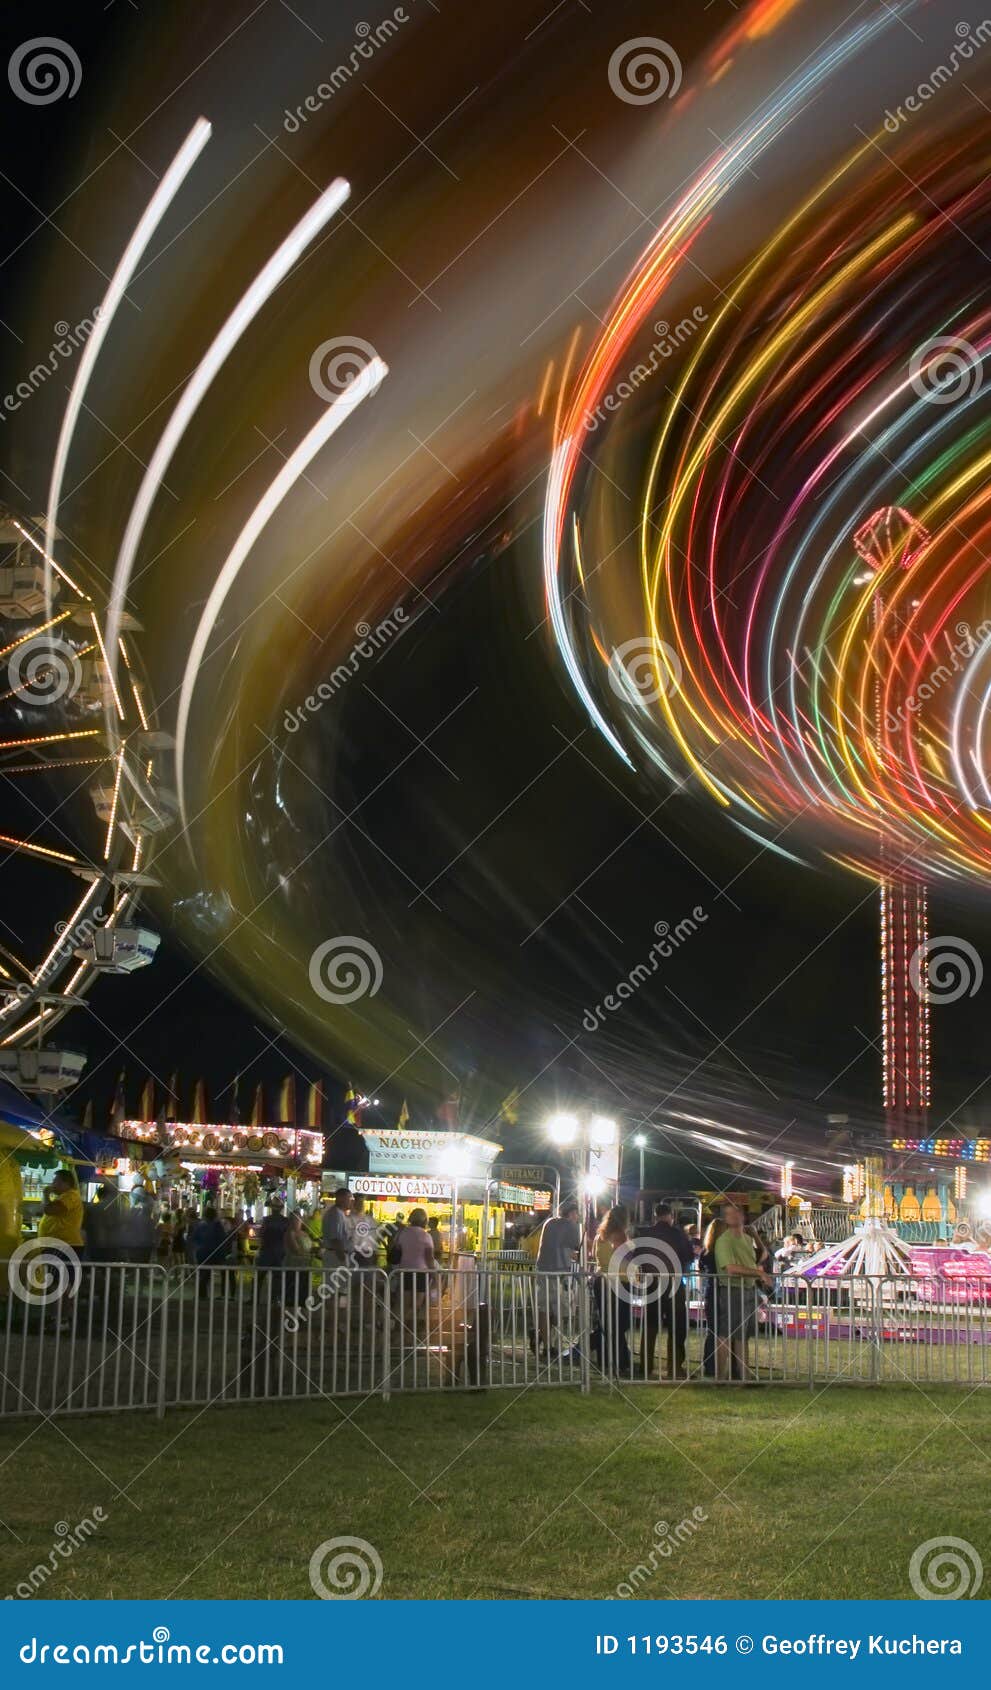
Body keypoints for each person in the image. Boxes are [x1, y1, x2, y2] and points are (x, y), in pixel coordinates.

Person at [714, 1203, 773, 1382]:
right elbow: (730, 1268)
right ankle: (720, 1377)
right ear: (725, 1218)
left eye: (737, 1212)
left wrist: (754, 1234)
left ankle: (744, 1376)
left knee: (742, 1336)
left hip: (748, 1289)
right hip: (732, 1289)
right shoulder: (723, 1240)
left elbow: (762, 1256)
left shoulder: (747, 1239)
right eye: (729, 1214)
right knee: (726, 1334)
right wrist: (758, 1273)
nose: (734, 1216)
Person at [641, 1201, 695, 1379]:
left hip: (651, 1284)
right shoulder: (677, 1234)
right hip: (673, 1283)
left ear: (655, 1216)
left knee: (650, 1326)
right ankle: (675, 1368)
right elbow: (688, 1256)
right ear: (670, 1216)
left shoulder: (645, 1233)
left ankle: (646, 1366)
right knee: (677, 1326)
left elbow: (637, 1257)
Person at [532, 1199, 581, 1361]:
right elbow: (576, 1247)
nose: (578, 1216)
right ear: (571, 1213)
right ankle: (547, 1344)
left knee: (549, 1309)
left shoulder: (549, 1223)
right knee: (558, 1310)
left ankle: (542, 1338)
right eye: (576, 1213)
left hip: (544, 1269)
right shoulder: (571, 1226)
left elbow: (560, 1247)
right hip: (556, 1272)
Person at [593, 1205, 632, 1376]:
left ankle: (610, 1358)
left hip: (602, 1281)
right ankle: (619, 1360)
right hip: (619, 1282)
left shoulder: (599, 1237)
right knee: (619, 1324)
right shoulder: (621, 1237)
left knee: (608, 1322)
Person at [699, 1216, 726, 1379]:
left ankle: (710, 1365)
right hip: (721, 1290)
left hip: (710, 1291)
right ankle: (717, 1365)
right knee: (723, 1330)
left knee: (713, 1330)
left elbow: (701, 1267)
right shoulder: (722, 1250)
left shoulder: (706, 1251)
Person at [191, 1205, 231, 1298]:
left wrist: (197, 1249)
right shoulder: (217, 1226)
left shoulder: (201, 1226)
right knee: (211, 1274)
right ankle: (221, 1294)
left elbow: (194, 1239)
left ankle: (201, 1294)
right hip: (214, 1254)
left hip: (202, 1254)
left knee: (203, 1275)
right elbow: (222, 1240)